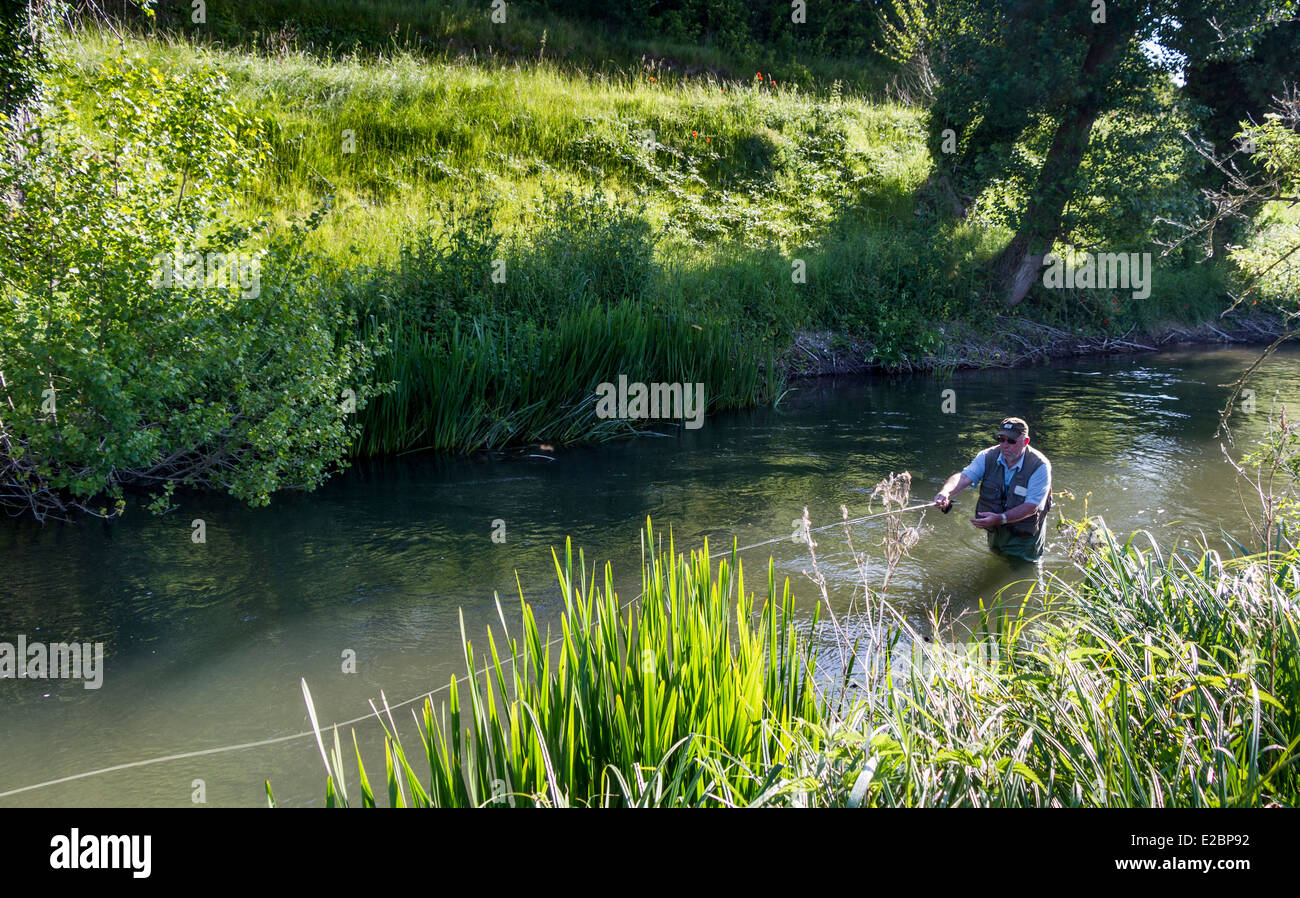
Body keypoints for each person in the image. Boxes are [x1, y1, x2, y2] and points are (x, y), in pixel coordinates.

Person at [933, 417, 1052, 562]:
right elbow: (964, 477)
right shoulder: (987, 456)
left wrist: (1000, 518)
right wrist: (946, 492)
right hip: (995, 528)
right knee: (996, 559)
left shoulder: (1040, 466)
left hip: (1025, 537)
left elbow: (1032, 506)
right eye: (1001, 439)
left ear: (1025, 441)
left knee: (1024, 567)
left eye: (1011, 441)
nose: (1005, 445)